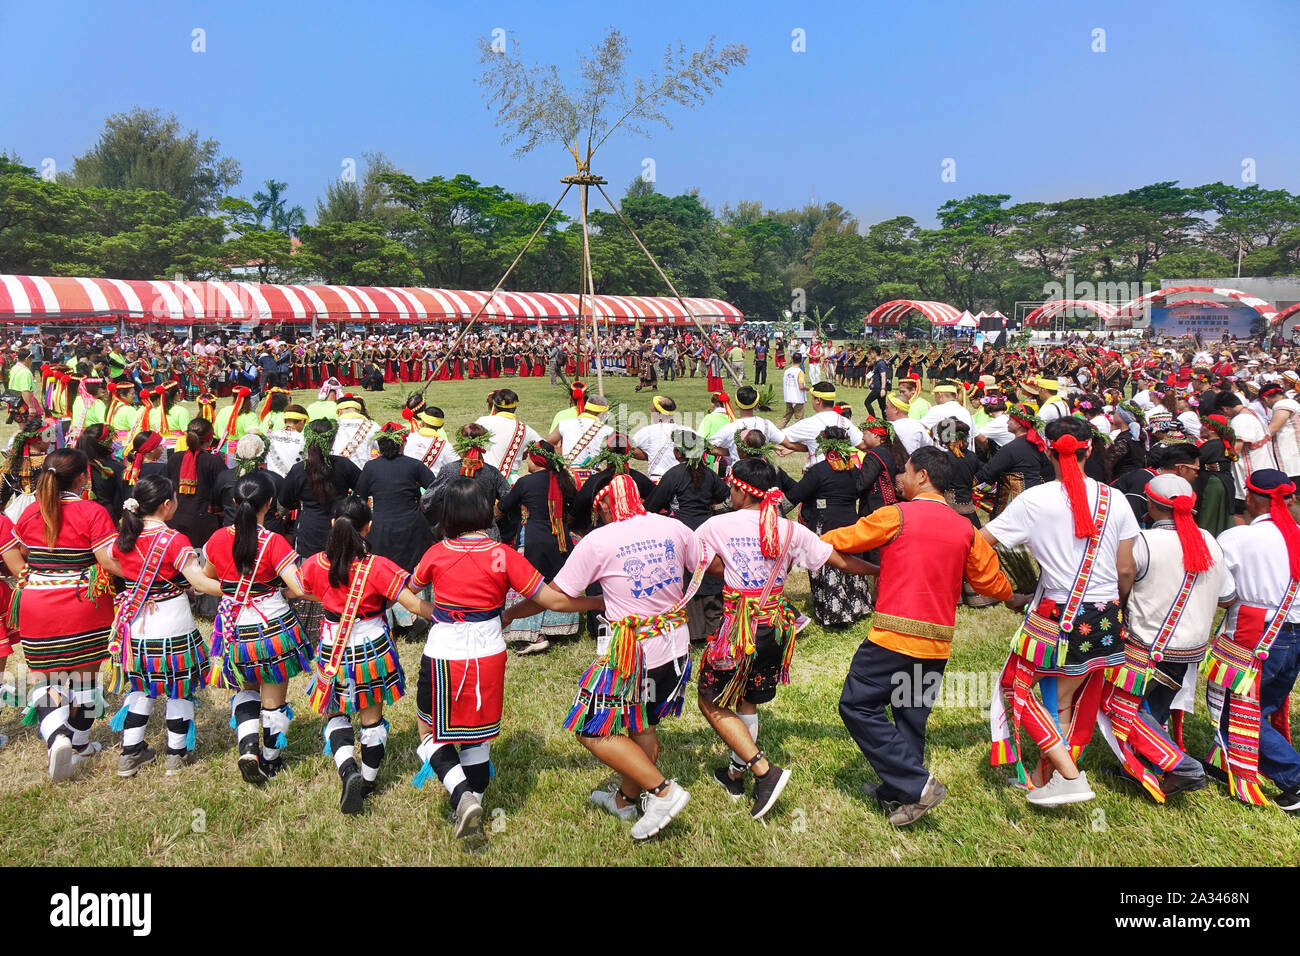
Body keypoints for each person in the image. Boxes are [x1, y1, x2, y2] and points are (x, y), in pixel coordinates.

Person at [823, 446, 1013, 826]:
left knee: (857, 706)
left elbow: (840, 540)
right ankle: (900, 792)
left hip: (892, 637)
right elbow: (988, 580)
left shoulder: (896, 515)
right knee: (910, 716)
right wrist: (1014, 595)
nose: (900, 479)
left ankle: (917, 783)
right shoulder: (965, 528)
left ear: (922, 476)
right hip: (937, 642)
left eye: (905, 472)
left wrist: (818, 540)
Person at [413, 479, 599, 836]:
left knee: (428, 731)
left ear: (448, 514)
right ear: (484, 511)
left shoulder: (436, 553)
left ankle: (463, 795)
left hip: (443, 652)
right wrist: (600, 601)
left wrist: (434, 610)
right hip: (489, 652)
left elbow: (409, 590)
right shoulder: (504, 555)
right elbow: (554, 601)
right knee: (476, 738)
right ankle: (474, 802)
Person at [695, 457, 874, 818]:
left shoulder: (717, 525)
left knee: (710, 699)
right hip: (775, 627)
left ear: (742, 491)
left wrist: (730, 568)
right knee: (746, 700)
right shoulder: (790, 530)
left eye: (732, 488)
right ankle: (733, 774)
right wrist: (881, 569)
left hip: (738, 630)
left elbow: (698, 561)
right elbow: (837, 560)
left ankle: (763, 770)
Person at [980, 416, 1141, 805]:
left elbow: (980, 542)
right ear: (1089, 450)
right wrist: (1115, 605)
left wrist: (1000, 589)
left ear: (1048, 450)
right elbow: (1126, 569)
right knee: (1065, 697)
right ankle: (1041, 776)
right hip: (1105, 616)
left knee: (1014, 687)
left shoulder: (1034, 501)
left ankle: (1069, 776)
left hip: (1058, 613)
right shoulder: (1114, 498)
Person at [1096, 473, 1230, 801]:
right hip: (1189, 650)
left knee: (1117, 706)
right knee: (1153, 710)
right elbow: (1227, 596)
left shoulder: (1143, 542)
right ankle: (1146, 770)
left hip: (1146, 648)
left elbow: (1120, 580)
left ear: (1151, 505)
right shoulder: (1211, 542)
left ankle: (1180, 764)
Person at [300, 496, 429, 814]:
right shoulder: (378, 566)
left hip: (334, 646)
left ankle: (348, 771)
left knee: (335, 713)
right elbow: (413, 605)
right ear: (368, 528)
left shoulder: (316, 564)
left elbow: (304, 590)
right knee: (371, 719)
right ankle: (368, 781)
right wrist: (453, 613)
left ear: (333, 524)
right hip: (372, 646)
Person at [13, 449, 120, 781]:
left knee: (47, 679)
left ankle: (57, 735)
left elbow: (23, 553)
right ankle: (81, 741)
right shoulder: (92, 511)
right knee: (86, 678)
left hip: (36, 604)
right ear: (83, 478)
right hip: (83, 602)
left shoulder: (31, 512)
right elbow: (106, 560)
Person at [106, 476, 225, 776]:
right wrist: (236, 588)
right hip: (172, 622)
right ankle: (176, 753)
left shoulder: (124, 535)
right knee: (179, 688)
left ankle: (130, 753)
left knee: (140, 689)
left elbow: (111, 561)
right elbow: (197, 581)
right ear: (167, 504)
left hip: (136, 625)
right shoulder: (174, 540)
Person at [203, 471, 312, 785]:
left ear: (235, 502)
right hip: (273, 627)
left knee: (244, 688)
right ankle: (272, 760)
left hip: (233, 627)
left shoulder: (218, 538)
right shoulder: (274, 542)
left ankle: (249, 748)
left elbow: (211, 577)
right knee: (274, 697)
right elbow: (299, 586)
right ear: (269, 504)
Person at [1206, 469, 1300, 811]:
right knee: (1267, 704)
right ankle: (1229, 763)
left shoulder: (1238, 538)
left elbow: (1221, 591)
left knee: (1238, 711)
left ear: (1252, 497)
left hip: (1256, 634)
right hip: (1293, 634)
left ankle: (1294, 777)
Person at [783, 428, 874, 626]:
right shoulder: (854, 470)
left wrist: (774, 510)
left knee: (827, 562)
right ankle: (857, 606)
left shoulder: (818, 470)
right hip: (850, 522)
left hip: (825, 524)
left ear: (825, 445)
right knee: (851, 562)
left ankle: (835, 613)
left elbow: (795, 495)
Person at [499, 441, 578, 653]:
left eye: (529, 458)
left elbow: (503, 507)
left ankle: (534, 633)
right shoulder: (565, 480)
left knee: (530, 585)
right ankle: (554, 628)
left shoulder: (525, 483)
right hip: (560, 540)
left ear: (536, 459)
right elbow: (576, 507)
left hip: (532, 540)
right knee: (555, 582)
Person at [165, 418, 225, 551]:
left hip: (174, 518)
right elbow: (222, 490)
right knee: (200, 563)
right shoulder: (214, 461)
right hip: (203, 520)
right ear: (210, 439)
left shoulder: (174, 458)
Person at [782, 383, 865, 469]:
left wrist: (805, 448)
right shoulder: (845, 422)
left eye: (812, 398)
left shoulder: (809, 423)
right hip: (842, 472)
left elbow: (780, 437)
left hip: (819, 474)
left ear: (818, 400)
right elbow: (863, 445)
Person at [475, 389, 539, 480]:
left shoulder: (482, 421)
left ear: (494, 406)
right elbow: (544, 445)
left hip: (483, 479)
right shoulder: (524, 429)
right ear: (515, 408)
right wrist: (526, 452)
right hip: (510, 482)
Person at [75, 423, 127, 521]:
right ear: (107, 443)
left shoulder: (75, 465)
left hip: (80, 517)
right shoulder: (115, 468)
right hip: (108, 519)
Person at [332, 395, 380, 471]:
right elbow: (382, 448)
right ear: (358, 411)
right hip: (362, 472)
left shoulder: (332, 427)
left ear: (340, 411)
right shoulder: (372, 426)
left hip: (339, 472)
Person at [265, 403, 308, 477]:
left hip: (272, 483)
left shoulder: (269, 437)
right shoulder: (304, 440)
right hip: (293, 485)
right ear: (302, 421)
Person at [779, 353, 808, 428]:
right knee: (799, 418)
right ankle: (797, 434)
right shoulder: (800, 372)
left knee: (786, 417)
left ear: (792, 360)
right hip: (797, 398)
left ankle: (778, 430)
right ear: (801, 360)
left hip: (789, 397)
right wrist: (807, 388)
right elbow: (801, 386)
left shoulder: (787, 371)